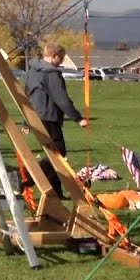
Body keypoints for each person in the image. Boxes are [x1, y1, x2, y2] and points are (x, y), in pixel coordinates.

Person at [24, 43, 88, 196]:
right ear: (54, 56)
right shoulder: (51, 73)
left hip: (34, 116)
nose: (61, 62)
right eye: (61, 58)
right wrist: (78, 118)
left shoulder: (32, 70)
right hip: (48, 116)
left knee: (52, 154)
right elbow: (61, 99)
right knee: (58, 152)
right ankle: (26, 179)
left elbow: (28, 95)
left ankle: (56, 193)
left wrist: (26, 121)